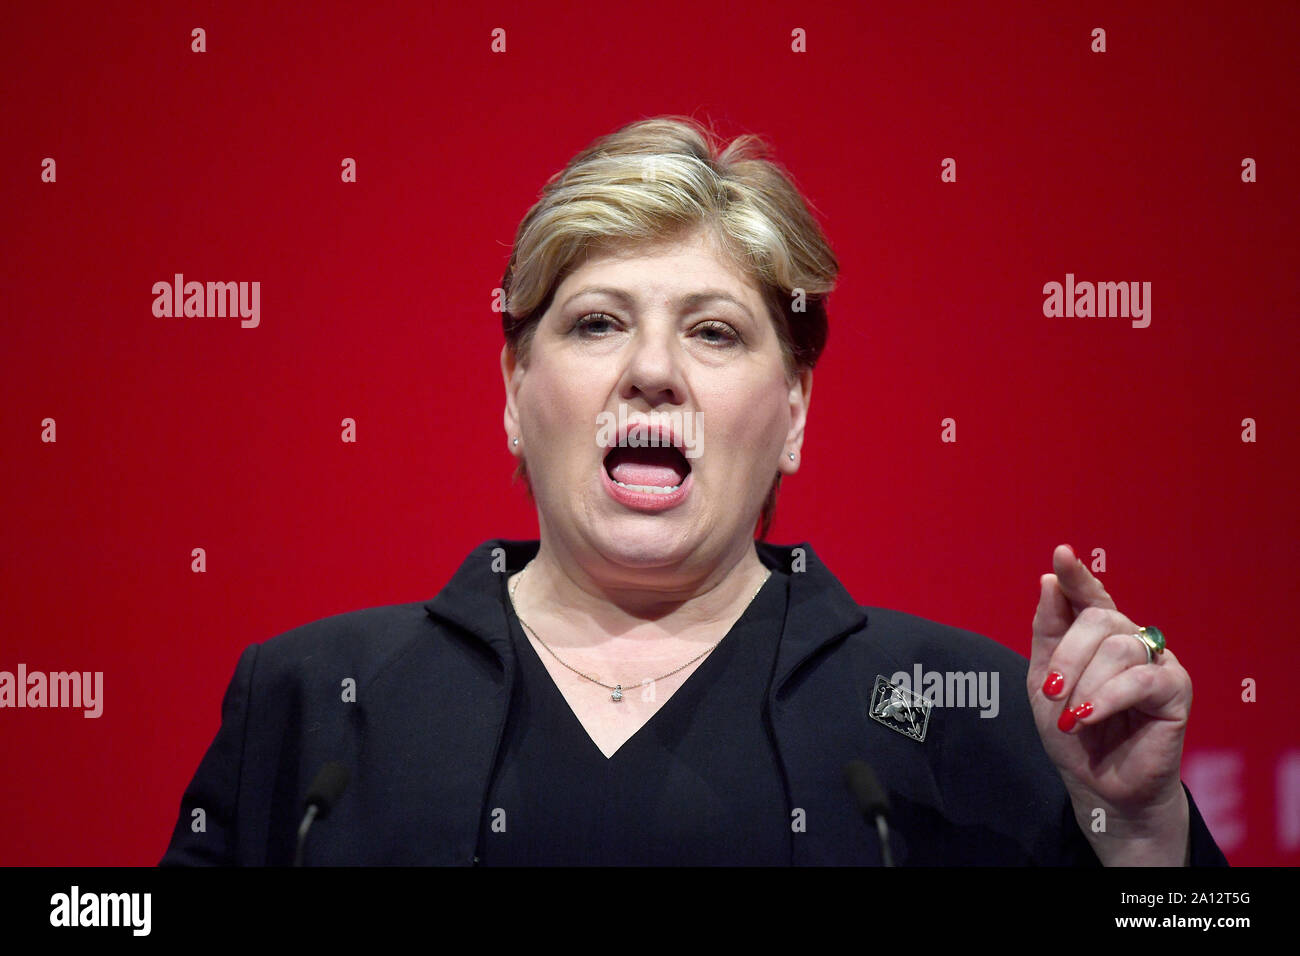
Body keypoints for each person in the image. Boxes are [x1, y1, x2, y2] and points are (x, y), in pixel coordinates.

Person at [160, 116, 1226, 866]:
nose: (653, 370)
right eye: (596, 322)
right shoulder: (313, 703)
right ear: (515, 392)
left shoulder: (971, 712)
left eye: (714, 331)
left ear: (793, 412)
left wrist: (1137, 834)